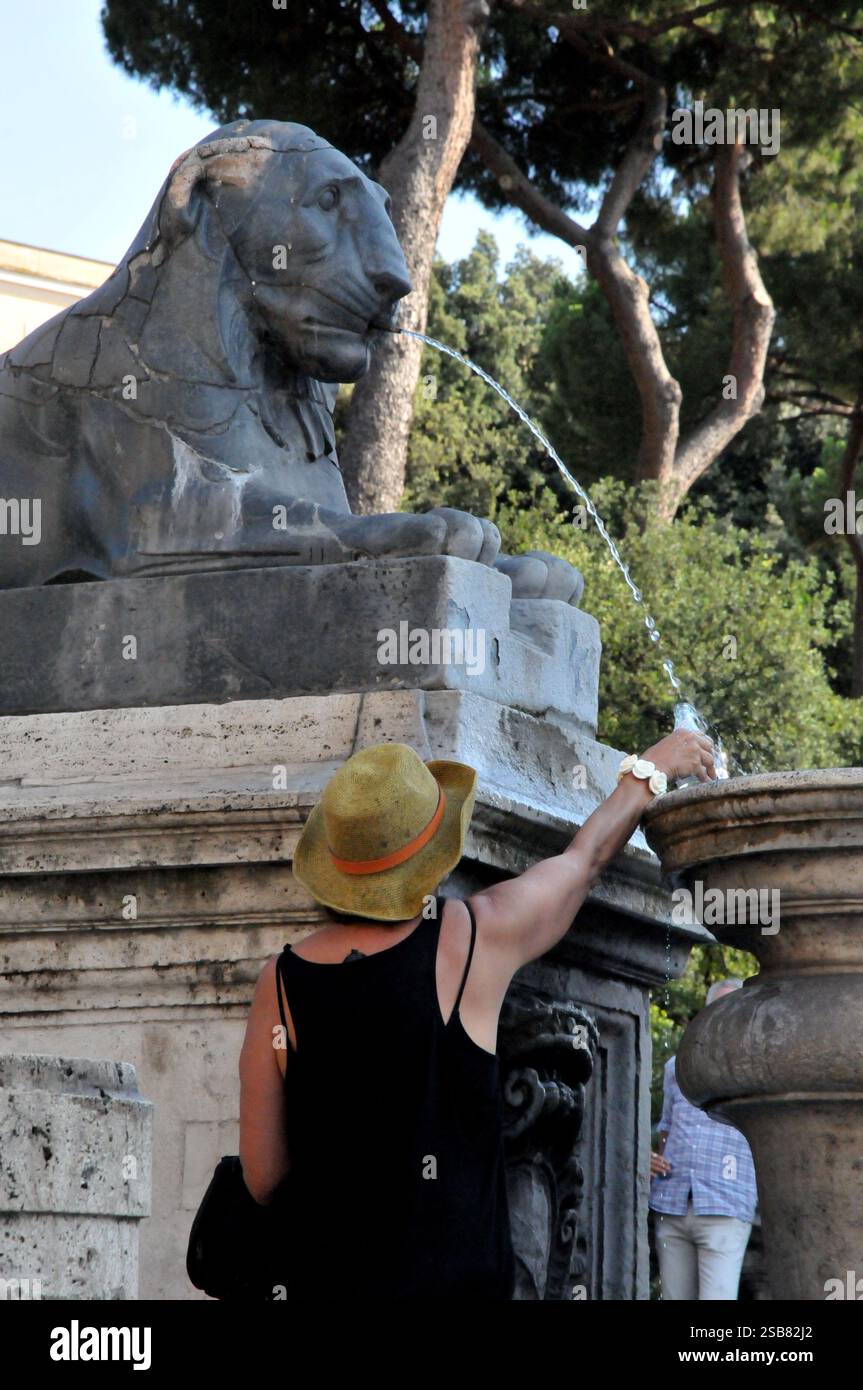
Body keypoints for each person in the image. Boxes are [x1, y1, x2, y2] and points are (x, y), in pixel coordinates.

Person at [239, 727, 716, 1300]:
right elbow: (582, 863)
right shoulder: (467, 942)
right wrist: (650, 770)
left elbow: (263, 1177)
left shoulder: (282, 981)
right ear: (432, 857)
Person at [650, 980, 757, 1301]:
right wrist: (652, 1158)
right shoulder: (675, 1069)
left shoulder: (755, 1071)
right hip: (672, 1203)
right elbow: (667, 1128)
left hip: (726, 1205)